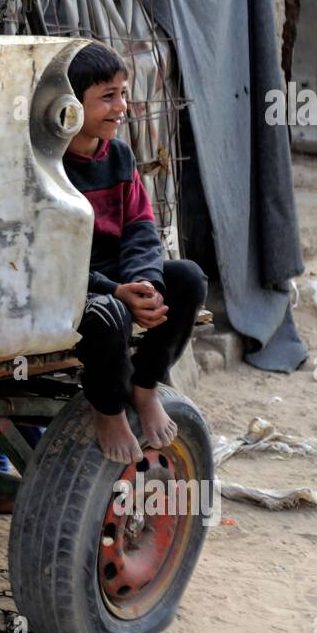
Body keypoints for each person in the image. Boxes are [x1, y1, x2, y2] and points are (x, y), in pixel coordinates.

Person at [63, 43, 208, 463]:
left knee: (188, 280)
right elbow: (54, 258)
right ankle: (108, 408)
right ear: (71, 105)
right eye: (107, 97)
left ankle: (144, 387)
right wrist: (115, 290)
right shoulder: (50, 166)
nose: (121, 106)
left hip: (122, 273)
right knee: (108, 315)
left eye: (123, 93)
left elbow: (141, 232)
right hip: (76, 282)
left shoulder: (121, 157)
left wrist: (146, 283)